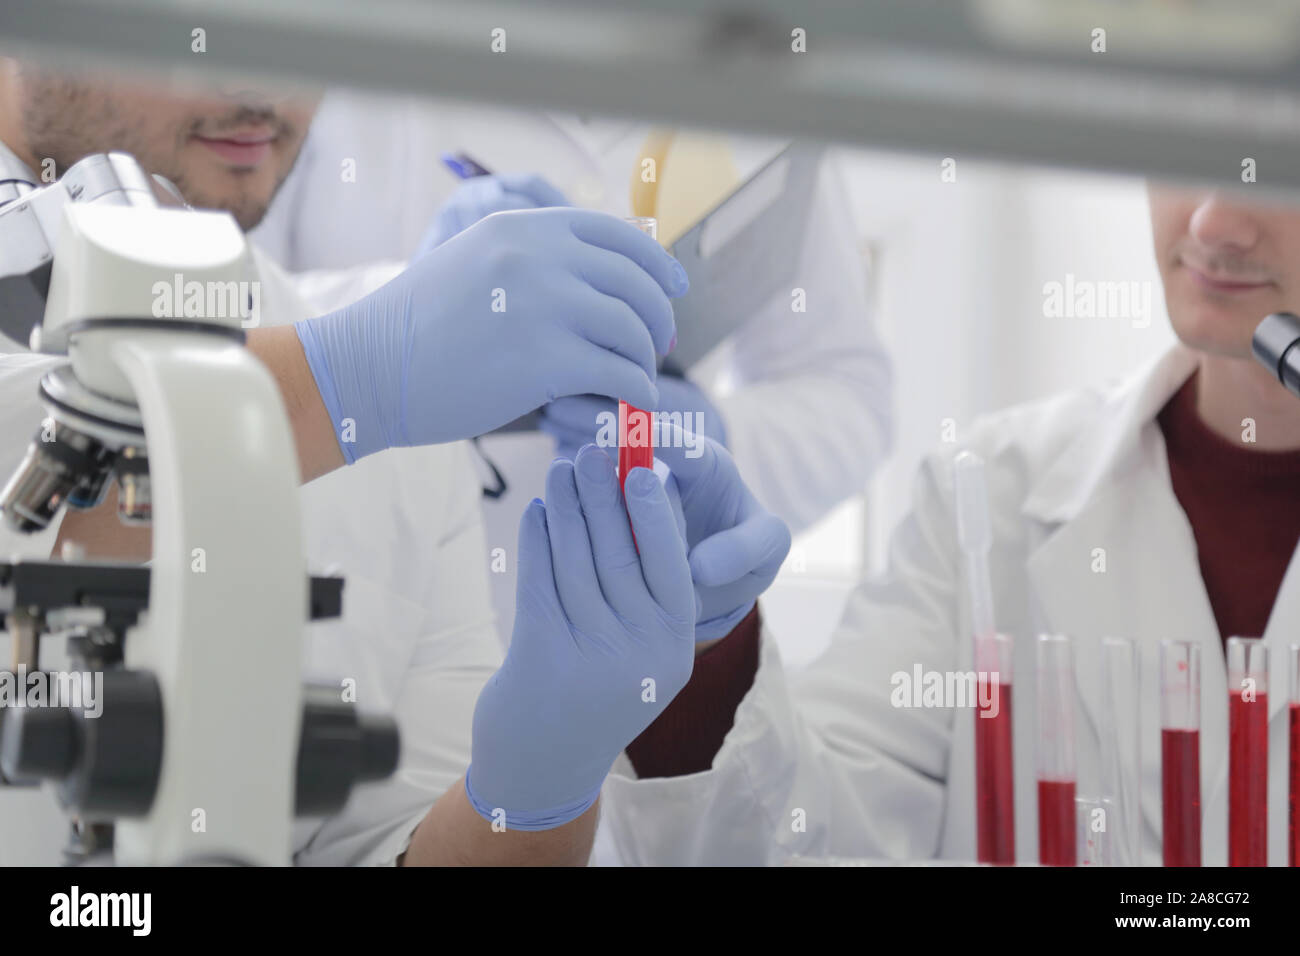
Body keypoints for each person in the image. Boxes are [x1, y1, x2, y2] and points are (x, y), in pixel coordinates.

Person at [0, 61, 788, 865]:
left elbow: (403, 848)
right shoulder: (364, 381)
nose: (268, 90)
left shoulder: (393, 418)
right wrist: (352, 379)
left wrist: (543, 776)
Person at [594, 186, 1300, 866]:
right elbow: (805, 833)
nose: (1212, 225)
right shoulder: (989, 494)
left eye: (1282, 173)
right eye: (1189, 151)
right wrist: (708, 658)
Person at [251, 89, 894, 635]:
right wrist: (399, 313)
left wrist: (713, 435)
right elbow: (220, 322)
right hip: (361, 607)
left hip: (631, 626)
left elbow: (848, 394)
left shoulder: (759, 81)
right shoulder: (330, 59)